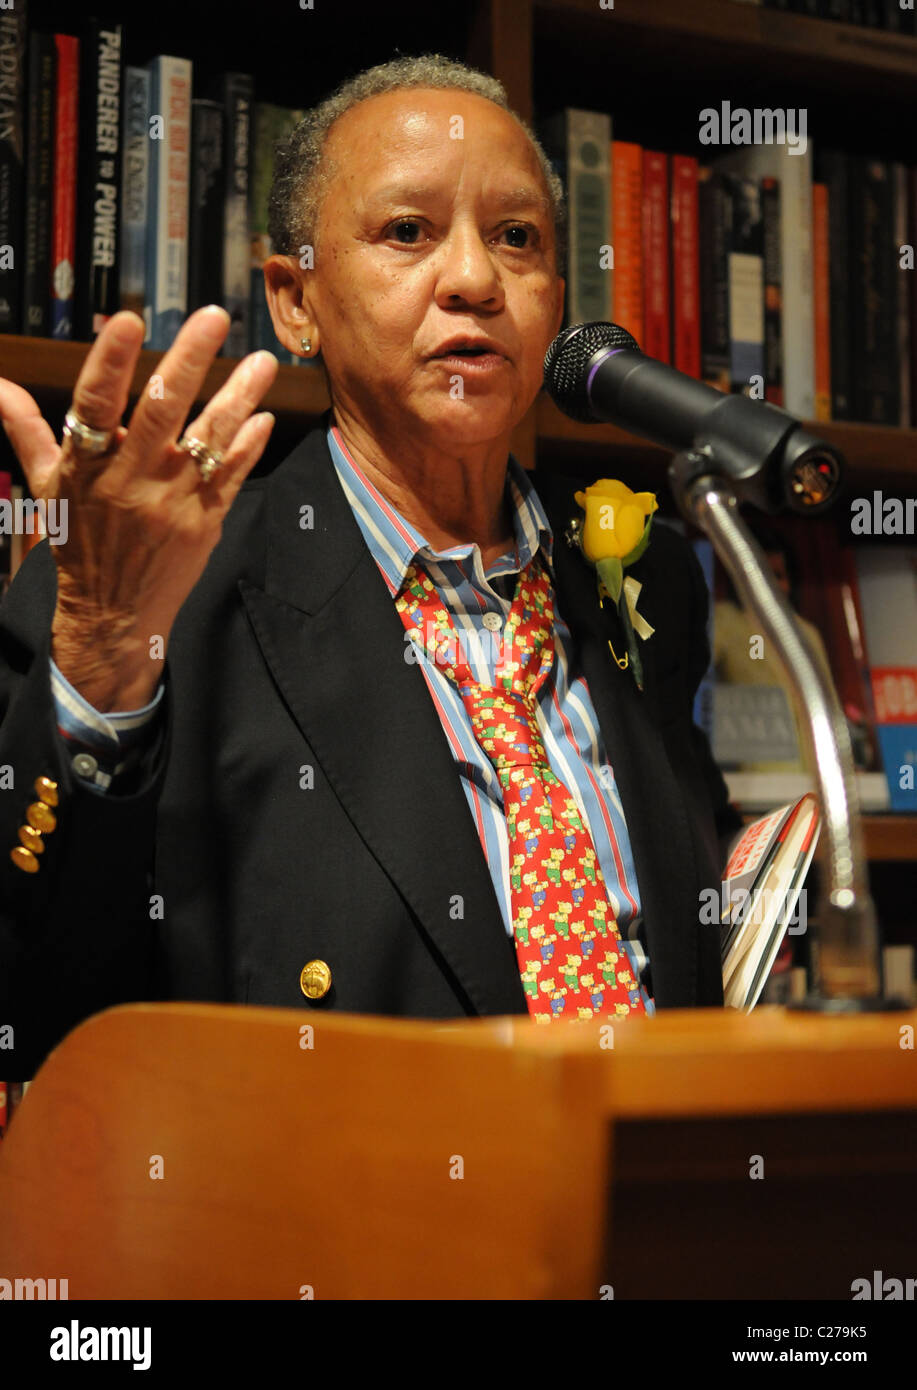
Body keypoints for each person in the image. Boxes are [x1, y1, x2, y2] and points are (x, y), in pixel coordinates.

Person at [0, 55, 740, 1077]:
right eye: (407, 232)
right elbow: (39, 1000)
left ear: (554, 298)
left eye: (515, 238)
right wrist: (104, 654)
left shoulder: (644, 573)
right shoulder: (161, 593)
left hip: (666, 1212)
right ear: (293, 301)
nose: (475, 279)